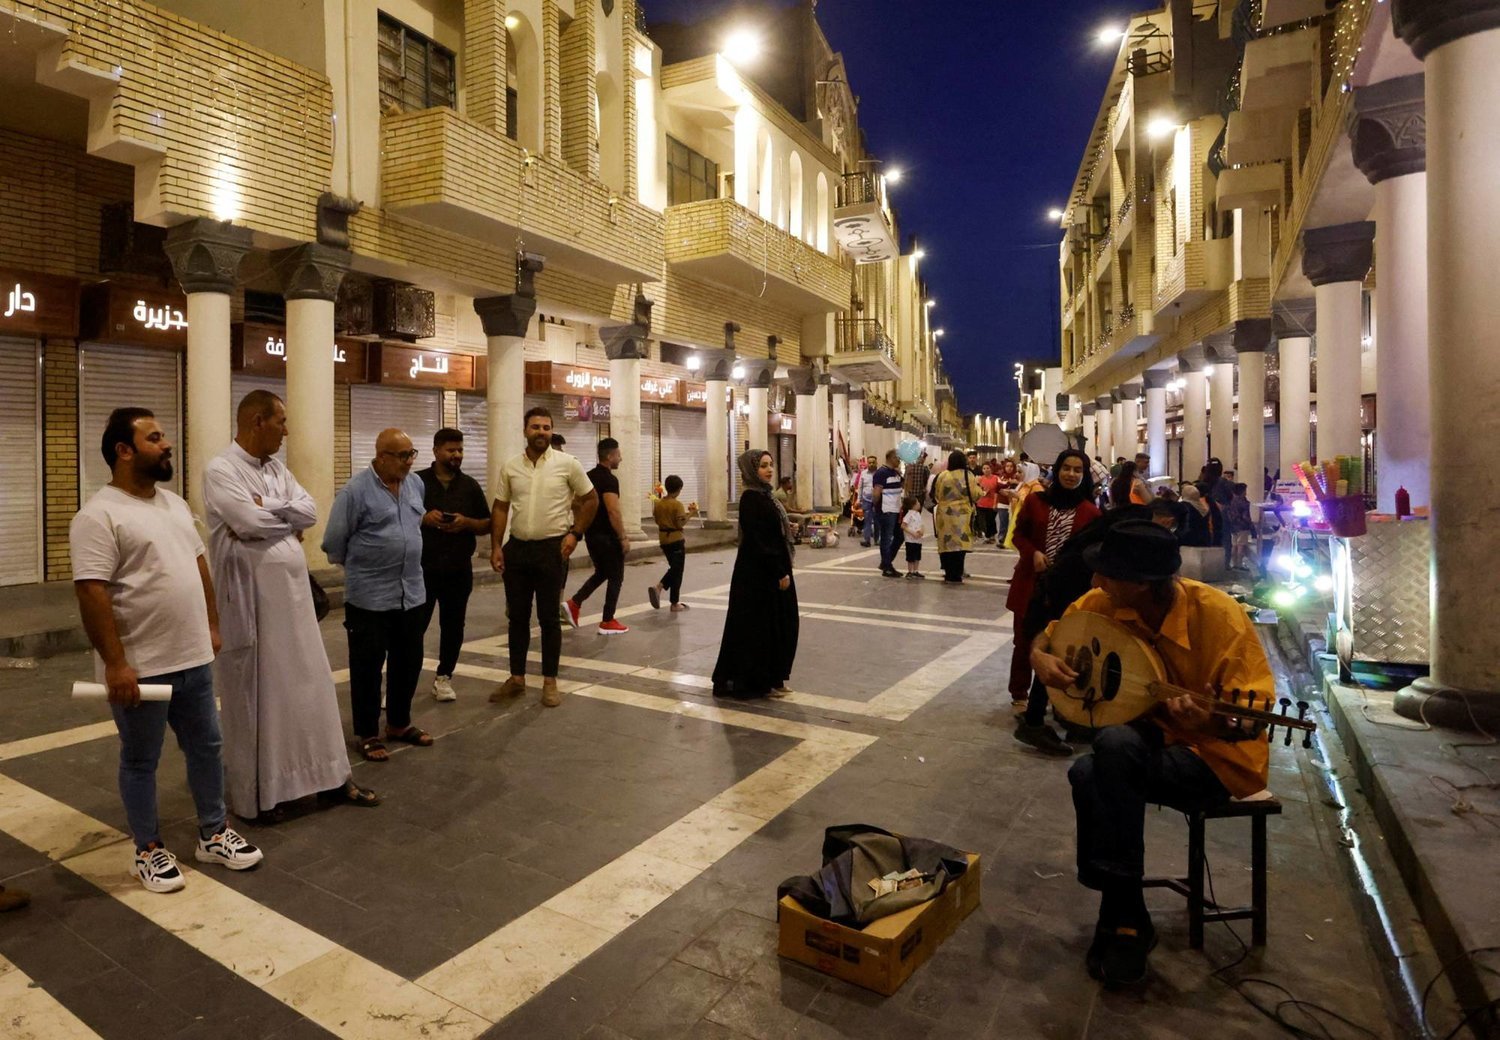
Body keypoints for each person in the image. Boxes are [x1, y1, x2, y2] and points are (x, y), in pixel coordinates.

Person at [1029, 521, 1274, 988]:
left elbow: (1251, 719)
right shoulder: (1105, 604)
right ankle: (1127, 913)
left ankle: (1121, 915)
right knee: (1113, 749)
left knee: (1094, 768)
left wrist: (1210, 723)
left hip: (1214, 759)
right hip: (1147, 745)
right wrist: (1040, 658)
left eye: (1106, 574)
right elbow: (1051, 633)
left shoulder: (1219, 617)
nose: (1096, 582)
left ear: (1142, 584)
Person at [71, 407, 263, 893]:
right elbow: (92, 593)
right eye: (155, 438)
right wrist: (116, 664)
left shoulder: (173, 504)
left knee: (207, 747)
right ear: (124, 450)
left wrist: (212, 625)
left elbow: (199, 567)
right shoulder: (99, 515)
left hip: (193, 657)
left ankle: (213, 833)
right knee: (141, 760)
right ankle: (148, 850)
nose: (167, 444)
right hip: (143, 666)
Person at [205, 391, 377, 820]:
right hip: (252, 607)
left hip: (295, 607)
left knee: (311, 689)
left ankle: (330, 778)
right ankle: (262, 797)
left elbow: (310, 511)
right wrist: (282, 519)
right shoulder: (221, 469)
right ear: (258, 421)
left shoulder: (278, 469)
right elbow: (246, 522)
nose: (287, 430)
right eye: (281, 421)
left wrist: (272, 510)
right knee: (260, 699)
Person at [323, 428, 435, 762]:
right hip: (369, 598)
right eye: (402, 456)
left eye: (411, 454)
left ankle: (399, 724)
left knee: (408, 663)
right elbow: (333, 544)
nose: (408, 462)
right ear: (381, 456)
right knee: (367, 667)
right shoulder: (355, 492)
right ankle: (368, 732)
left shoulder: (415, 484)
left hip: (411, 593)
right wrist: (366, 565)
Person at [1014, 503, 1154, 757]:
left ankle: (1073, 721)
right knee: (1061, 652)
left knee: (1070, 652)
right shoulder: (1115, 543)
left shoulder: (1107, 532)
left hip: (1063, 594)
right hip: (1057, 597)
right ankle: (1035, 722)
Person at [490, 408, 598, 707]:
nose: (541, 432)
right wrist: (497, 546)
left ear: (552, 431)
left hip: (552, 549)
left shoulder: (567, 464)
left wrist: (575, 533)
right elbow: (500, 507)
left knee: (549, 618)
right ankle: (517, 678)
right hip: (518, 549)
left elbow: (591, 500)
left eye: (547, 427)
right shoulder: (511, 467)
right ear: (525, 430)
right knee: (517, 618)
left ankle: (550, 681)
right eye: (536, 427)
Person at [1006, 449, 1099, 709]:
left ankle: (1054, 698)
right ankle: (1020, 694)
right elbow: (1018, 534)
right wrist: (1033, 552)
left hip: (1066, 590)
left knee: (1061, 643)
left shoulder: (1090, 512)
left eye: (1078, 470)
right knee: (1024, 641)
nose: (1071, 474)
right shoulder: (1036, 501)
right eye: (1066, 468)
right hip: (1030, 583)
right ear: (1057, 470)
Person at [712, 449, 798, 699]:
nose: (769, 470)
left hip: (771, 570)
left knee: (779, 625)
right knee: (759, 629)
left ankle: (774, 677)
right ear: (751, 470)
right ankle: (756, 682)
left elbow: (770, 531)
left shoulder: (766, 496)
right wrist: (778, 571)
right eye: (763, 466)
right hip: (758, 575)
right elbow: (758, 540)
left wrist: (786, 527)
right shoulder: (751, 498)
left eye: (770, 464)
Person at [416, 428, 491, 702]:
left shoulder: (469, 485)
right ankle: (402, 682)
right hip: (422, 569)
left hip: (458, 569)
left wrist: (465, 523)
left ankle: (444, 677)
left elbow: (486, 523)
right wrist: (424, 518)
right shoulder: (417, 482)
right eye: (451, 450)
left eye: (460, 450)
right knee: (414, 627)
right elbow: (399, 515)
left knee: (453, 626)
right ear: (436, 451)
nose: (456, 455)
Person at [566, 438, 630, 636]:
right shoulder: (610, 480)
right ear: (610, 456)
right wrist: (623, 537)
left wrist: (583, 524)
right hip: (608, 537)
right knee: (616, 576)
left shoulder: (588, 476)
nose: (621, 458)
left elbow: (576, 503)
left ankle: (574, 603)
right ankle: (608, 620)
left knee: (602, 572)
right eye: (618, 455)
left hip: (592, 535)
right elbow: (613, 511)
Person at [931, 450, 980, 584]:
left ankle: (948, 573)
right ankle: (957, 574)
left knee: (946, 544)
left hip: (945, 514)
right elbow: (975, 494)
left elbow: (935, 493)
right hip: (963, 515)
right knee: (959, 545)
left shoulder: (942, 476)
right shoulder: (968, 475)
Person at [649, 474, 696, 612]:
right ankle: (663, 592)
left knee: (675, 567)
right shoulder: (677, 504)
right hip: (676, 539)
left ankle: (673, 601)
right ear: (679, 489)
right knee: (677, 570)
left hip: (663, 539)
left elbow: (656, 520)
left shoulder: (659, 504)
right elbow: (681, 522)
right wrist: (692, 513)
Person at [871, 450, 905, 578]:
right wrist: (876, 507)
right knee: (886, 538)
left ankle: (886, 562)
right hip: (886, 511)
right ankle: (887, 567)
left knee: (899, 536)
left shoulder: (895, 473)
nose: (899, 461)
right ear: (891, 458)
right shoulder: (881, 473)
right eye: (897, 458)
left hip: (896, 510)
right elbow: (876, 492)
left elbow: (904, 485)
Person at [1226, 482, 1255, 571]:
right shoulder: (1243, 502)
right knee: (1241, 545)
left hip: (1233, 526)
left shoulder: (1231, 501)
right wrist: (1251, 526)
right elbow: (1246, 516)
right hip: (1242, 526)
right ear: (1242, 491)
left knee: (1234, 545)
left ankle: (1233, 563)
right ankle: (1239, 564)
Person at [900, 495, 926, 579]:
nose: (919, 504)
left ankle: (916, 570)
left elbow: (921, 524)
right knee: (910, 556)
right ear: (913, 505)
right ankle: (910, 571)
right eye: (917, 502)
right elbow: (903, 526)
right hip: (910, 540)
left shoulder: (918, 514)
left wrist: (922, 531)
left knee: (917, 555)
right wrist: (913, 533)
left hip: (918, 539)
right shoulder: (909, 515)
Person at [975, 463, 1000, 544]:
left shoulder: (996, 478)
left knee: (991, 520)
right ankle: (986, 535)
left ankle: (992, 536)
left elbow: (998, 490)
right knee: (982, 521)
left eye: (988, 468)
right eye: (984, 468)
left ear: (991, 469)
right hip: (981, 503)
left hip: (992, 502)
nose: (986, 470)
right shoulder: (980, 479)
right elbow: (976, 489)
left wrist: (996, 503)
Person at [857, 455, 877, 547]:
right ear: (867, 463)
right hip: (866, 500)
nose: (871, 464)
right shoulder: (863, 473)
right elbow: (860, 487)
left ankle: (877, 540)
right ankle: (867, 540)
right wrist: (858, 499)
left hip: (877, 501)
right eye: (870, 462)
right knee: (867, 521)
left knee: (877, 520)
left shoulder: (880, 473)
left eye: (873, 462)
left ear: (876, 463)